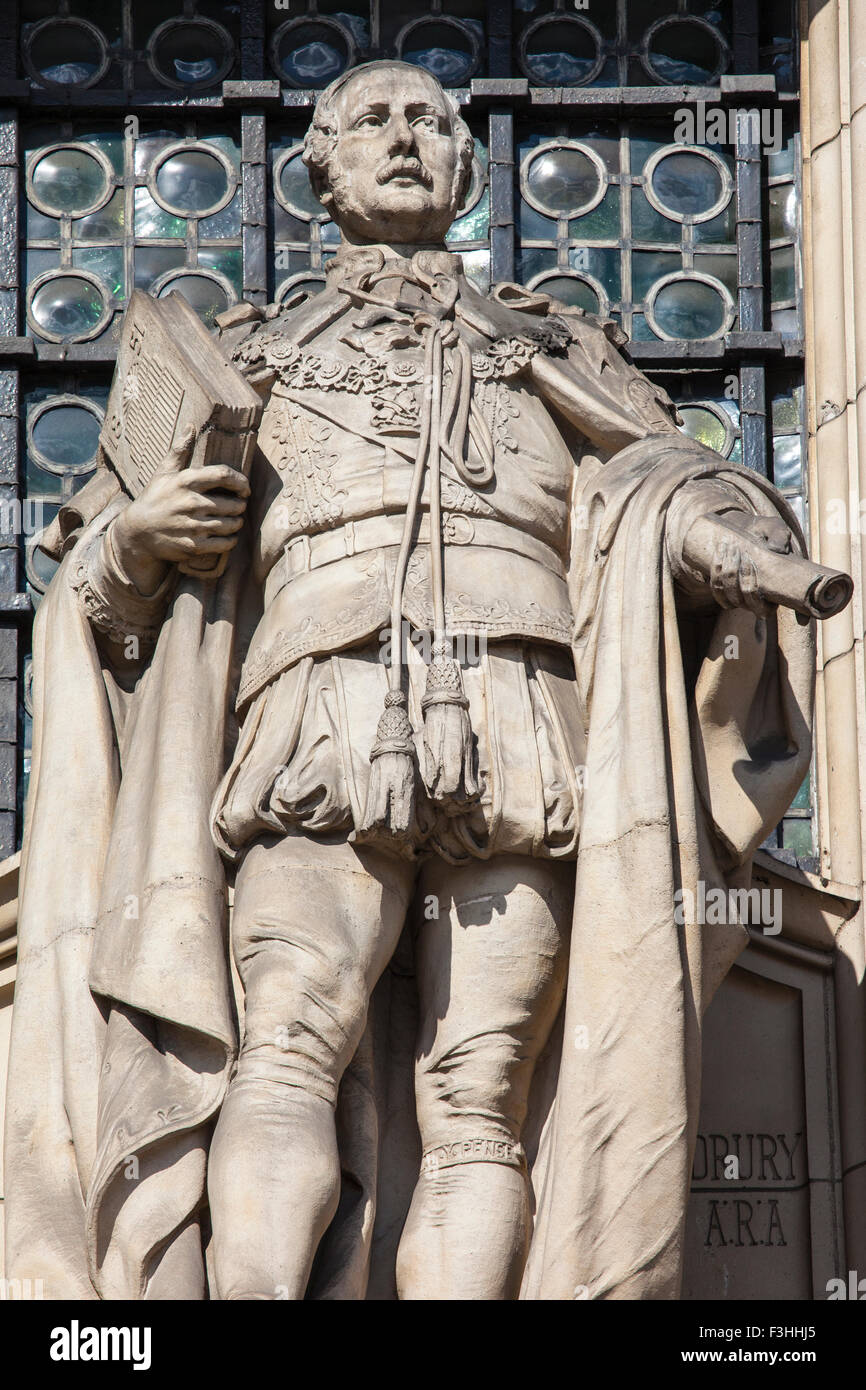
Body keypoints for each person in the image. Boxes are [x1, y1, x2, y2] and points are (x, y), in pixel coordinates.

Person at [4, 60, 816, 1301]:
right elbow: (95, 598)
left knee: (480, 1087)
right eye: (369, 121)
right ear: (317, 165)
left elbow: (669, 478)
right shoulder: (247, 354)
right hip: (313, 707)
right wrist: (138, 536)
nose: (402, 138)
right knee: (285, 1039)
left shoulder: (559, 347)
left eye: (430, 121)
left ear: (467, 166)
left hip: (522, 705)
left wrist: (715, 531)